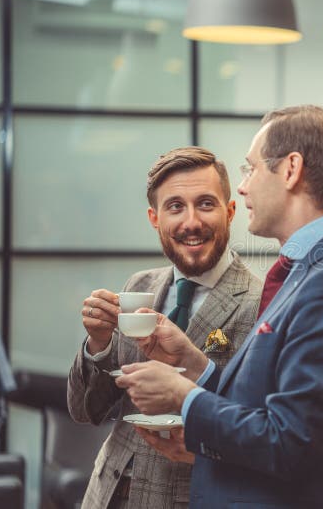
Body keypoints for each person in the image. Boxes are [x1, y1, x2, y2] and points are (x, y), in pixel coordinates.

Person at [116, 105, 323, 508]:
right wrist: (196, 366)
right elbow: (268, 403)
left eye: (250, 169)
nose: (243, 187)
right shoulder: (310, 271)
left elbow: (290, 441)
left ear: (291, 170)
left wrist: (184, 396)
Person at [67, 147, 263, 508]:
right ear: (155, 218)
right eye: (175, 207)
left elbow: (259, 431)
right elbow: (85, 411)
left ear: (230, 211)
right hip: (105, 495)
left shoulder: (261, 302)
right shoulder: (139, 286)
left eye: (206, 204)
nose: (191, 221)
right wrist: (98, 344)